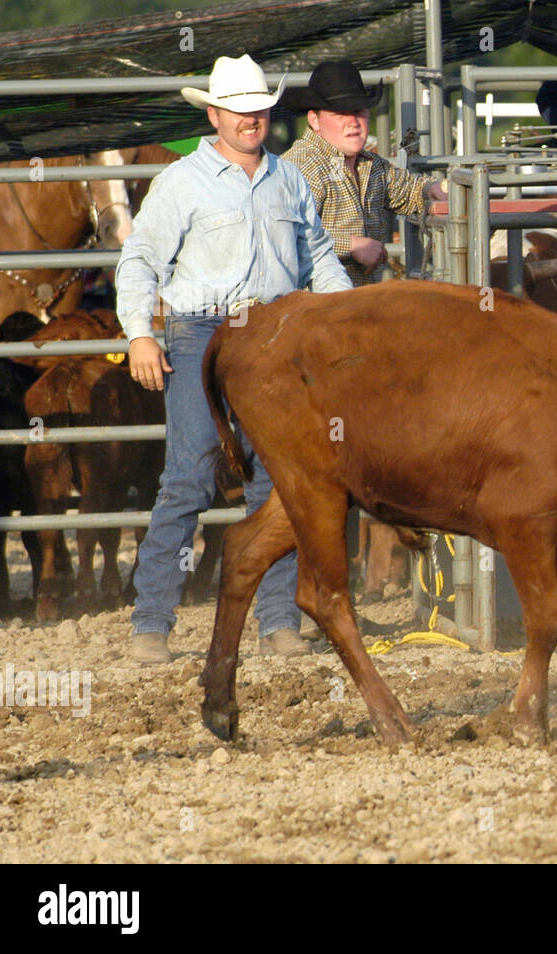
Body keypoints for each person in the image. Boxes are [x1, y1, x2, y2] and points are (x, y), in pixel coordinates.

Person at [116, 54, 353, 664]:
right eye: (240, 110)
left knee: (281, 481)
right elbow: (140, 259)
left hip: (275, 338)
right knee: (189, 475)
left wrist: (350, 320)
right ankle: (151, 621)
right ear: (216, 114)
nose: (251, 119)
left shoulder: (287, 180)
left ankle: (278, 620)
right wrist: (140, 333)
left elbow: (317, 257)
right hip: (201, 334)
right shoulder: (181, 182)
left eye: (259, 109)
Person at [280, 59, 445, 287]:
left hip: (355, 303)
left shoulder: (370, 164)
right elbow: (288, 235)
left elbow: (406, 189)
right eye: (340, 114)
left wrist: (433, 189)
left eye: (358, 111)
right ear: (314, 120)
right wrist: (351, 246)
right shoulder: (303, 166)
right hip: (314, 307)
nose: (353, 122)